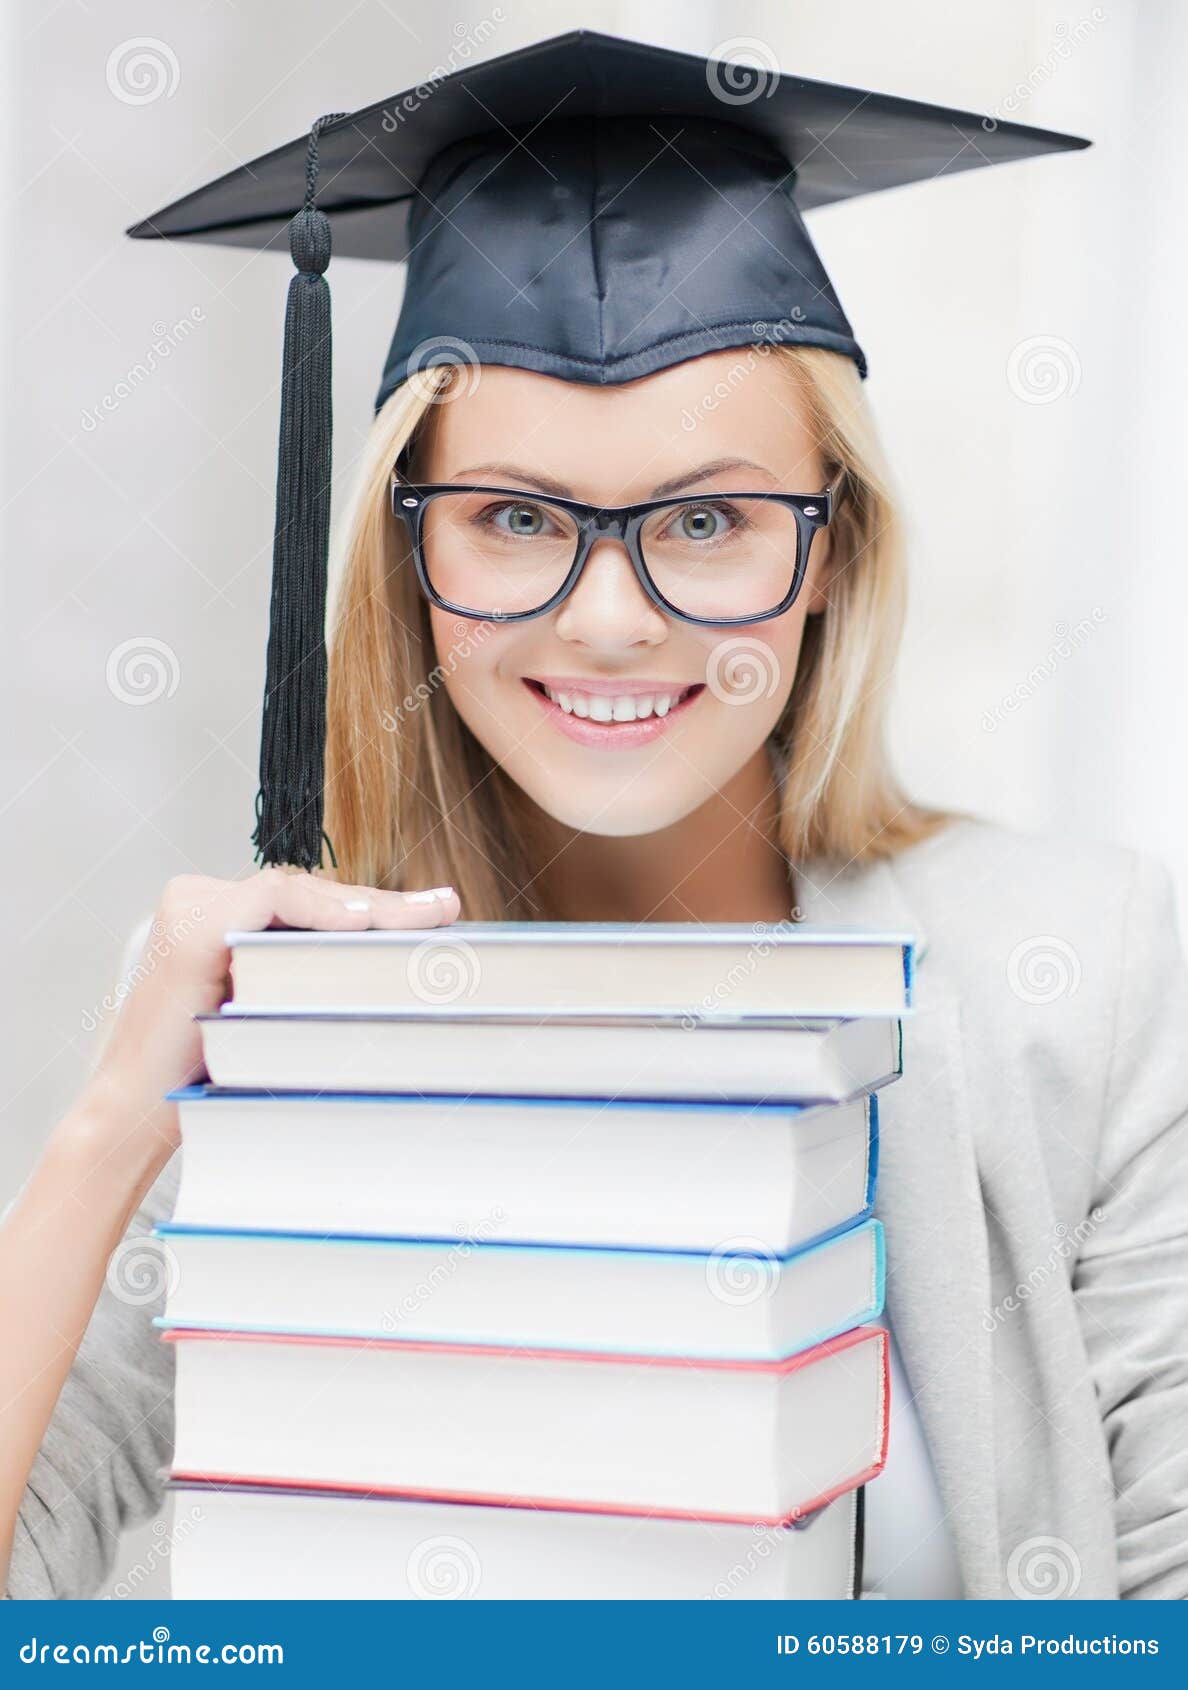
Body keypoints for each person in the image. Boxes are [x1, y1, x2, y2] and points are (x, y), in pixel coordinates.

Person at [3, 33, 1185, 1601]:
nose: (611, 620)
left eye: (705, 519)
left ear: (831, 550)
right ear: (407, 558)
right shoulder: (275, 1022)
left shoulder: (1085, 981)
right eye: (513, 516)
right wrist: (110, 1129)